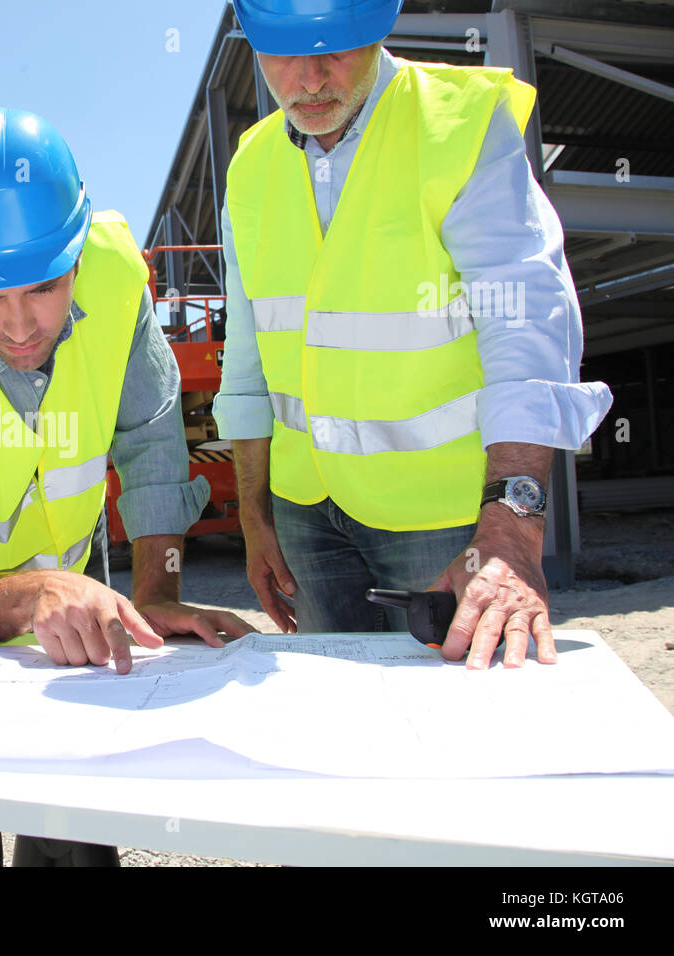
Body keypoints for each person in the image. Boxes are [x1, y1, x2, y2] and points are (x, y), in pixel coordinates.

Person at [0, 106, 254, 866]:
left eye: (42, 287)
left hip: (80, 604)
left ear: (75, 255)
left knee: (78, 836)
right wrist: (35, 593)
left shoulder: (118, 281)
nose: (20, 326)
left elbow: (152, 445)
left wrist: (158, 589)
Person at [214, 0, 612, 669]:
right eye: (284, 53)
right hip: (305, 513)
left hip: (443, 515)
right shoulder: (250, 165)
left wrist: (512, 525)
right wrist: (254, 518)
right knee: (329, 700)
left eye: (334, 50)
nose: (309, 80)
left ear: (378, 30)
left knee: (454, 704)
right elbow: (249, 359)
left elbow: (523, 317)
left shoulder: (457, 123)